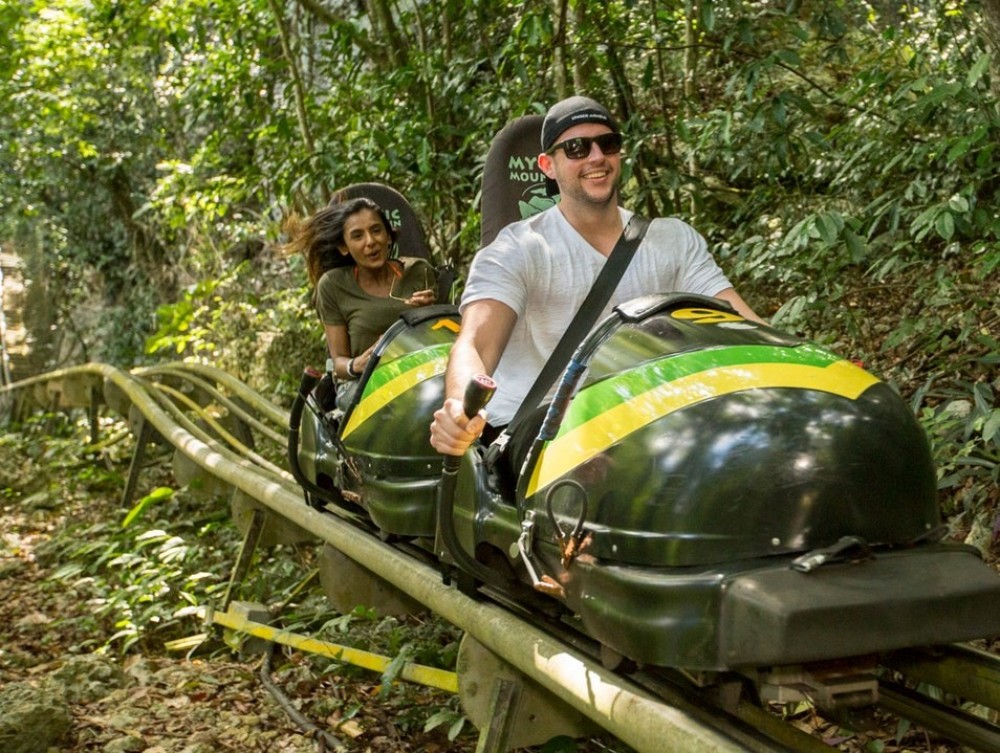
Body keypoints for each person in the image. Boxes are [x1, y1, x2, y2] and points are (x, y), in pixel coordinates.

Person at [430, 95, 765, 457]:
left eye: (607, 144)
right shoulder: (518, 248)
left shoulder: (672, 239)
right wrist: (459, 406)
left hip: (649, 423)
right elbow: (476, 344)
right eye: (576, 148)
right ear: (548, 166)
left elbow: (741, 324)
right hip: (538, 431)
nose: (595, 157)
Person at [282, 197, 437, 385]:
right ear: (343, 247)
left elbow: (448, 335)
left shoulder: (420, 271)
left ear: (388, 236)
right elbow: (338, 361)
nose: (370, 241)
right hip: (366, 386)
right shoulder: (333, 285)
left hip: (424, 375)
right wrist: (357, 365)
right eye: (357, 236)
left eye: (376, 230)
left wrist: (431, 312)